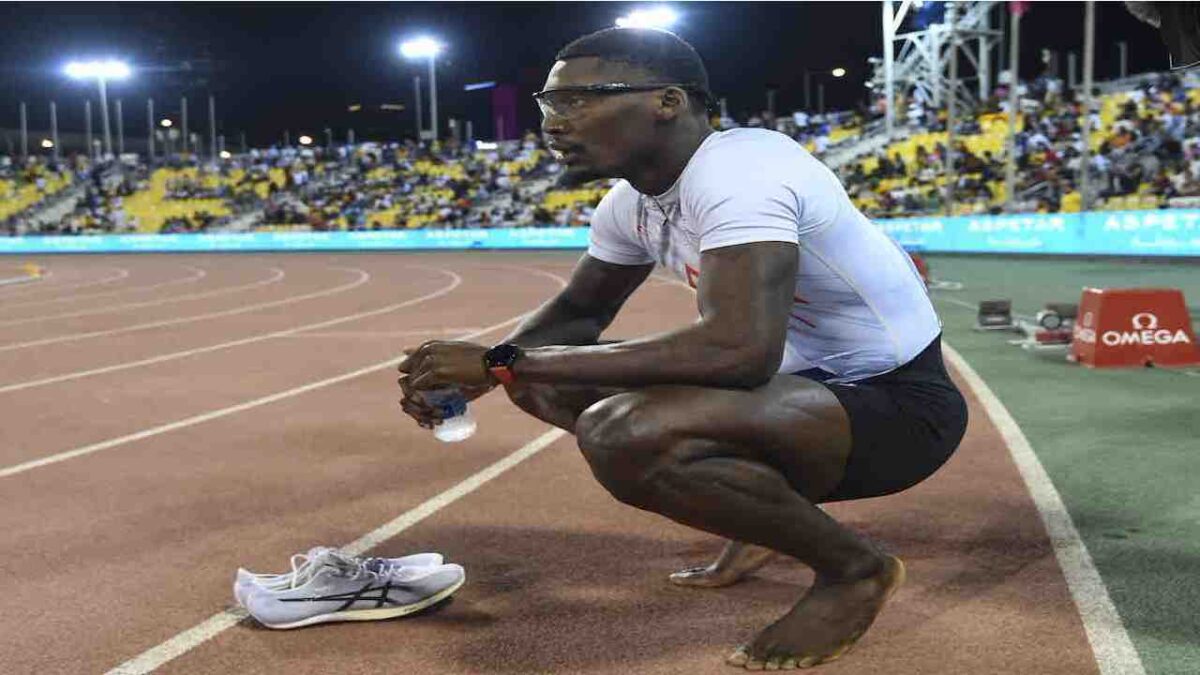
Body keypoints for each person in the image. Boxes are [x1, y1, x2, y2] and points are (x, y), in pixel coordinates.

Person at [398, 27, 967, 671]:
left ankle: (853, 570)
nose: (554, 123)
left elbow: (739, 351)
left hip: (895, 409)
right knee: (539, 379)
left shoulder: (744, 170)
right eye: (549, 104)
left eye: (579, 100)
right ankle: (760, 518)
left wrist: (499, 360)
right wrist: (482, 369)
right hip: (787, 395)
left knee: (625, 433)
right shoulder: (628, 204)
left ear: (668, 101)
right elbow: (578, 315)